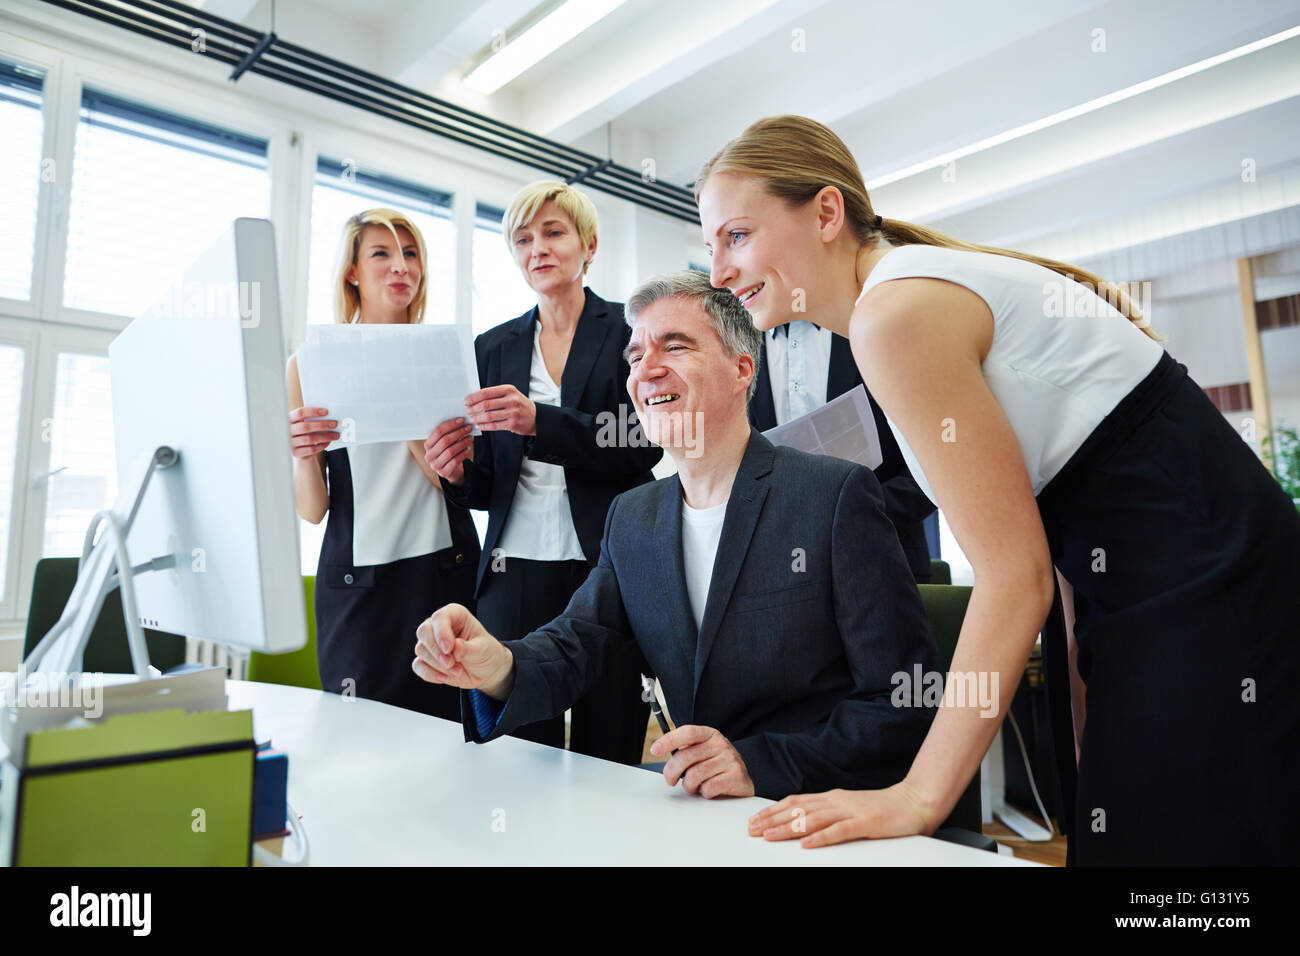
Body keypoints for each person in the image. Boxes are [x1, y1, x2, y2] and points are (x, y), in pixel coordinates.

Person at [698, 115, 1300, 865]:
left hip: (1213, 592)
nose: (718, 272)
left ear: (825, 212)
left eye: (736, 237)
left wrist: (918, 797)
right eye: (710, 246)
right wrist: (1090, 688)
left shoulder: (895, 313)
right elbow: (1063, 523)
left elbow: (1014, 577)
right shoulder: (897, 299)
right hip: (1171, 589)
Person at [412, 270, 939, 800]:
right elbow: (576, 645)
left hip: (809, 812)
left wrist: (757, 763)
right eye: (636, 357)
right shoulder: (633, 517)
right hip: (694, 815)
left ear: (740, 369)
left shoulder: (833, 495)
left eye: (676, 346)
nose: (647, 370)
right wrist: (498, 664)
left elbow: (904, 702)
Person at [422, 181, 661, 764]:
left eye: (553, 233)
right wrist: (457, 473)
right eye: (522, 239)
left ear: (589, 245)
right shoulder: (492, 346)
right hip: (514, 566)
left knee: (610, 739)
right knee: (517, 746)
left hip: (604, 564)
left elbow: (643, 440)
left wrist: (540, 422)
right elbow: (488, 485)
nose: (538, 249)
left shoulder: (631, 333)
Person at [286, 208, 479, 718]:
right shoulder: (310, 361)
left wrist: (408, 404)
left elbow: (458, 483)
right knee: (358, 736)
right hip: (359, 587)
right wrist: (304, 456)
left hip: (443, 574)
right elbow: (311, 510)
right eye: (382, 254)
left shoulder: (444, 355)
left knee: (448, 735)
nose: (401, 267)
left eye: (410, 254)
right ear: (352, 270)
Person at [749, 321, 934, 581]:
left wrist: (858, 515)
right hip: (779, 571)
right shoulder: (735, 344)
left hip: (885, 561)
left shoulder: (880, 328)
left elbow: (935, 463)